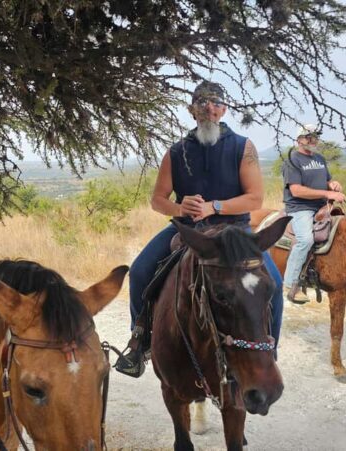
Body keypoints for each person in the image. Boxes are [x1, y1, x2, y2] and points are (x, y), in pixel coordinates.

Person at [114, 81, 283, 377]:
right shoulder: (176, 152)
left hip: (234, 230)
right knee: (140, 271)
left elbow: (255, 198)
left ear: (224, 109)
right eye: (202, 103)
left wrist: (214, 207)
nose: (209, 108)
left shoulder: (243, 147)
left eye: (215, 103)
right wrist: (180, 209)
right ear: (192, 110)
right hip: (188, 229)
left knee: (276, 285)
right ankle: (139, 342)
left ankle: (269, 349)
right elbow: (157, 199)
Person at [281, 124, 345, 304]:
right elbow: (296, 190)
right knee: (305, 240)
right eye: (309, 137)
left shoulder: (320, 158)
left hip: (322, 206)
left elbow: (327, 180)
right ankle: (291, 283)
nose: (314, 140)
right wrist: (327, 193)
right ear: (299, 139)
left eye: (316, 136)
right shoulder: (292, 161)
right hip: (300, 207)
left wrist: (333, 185)